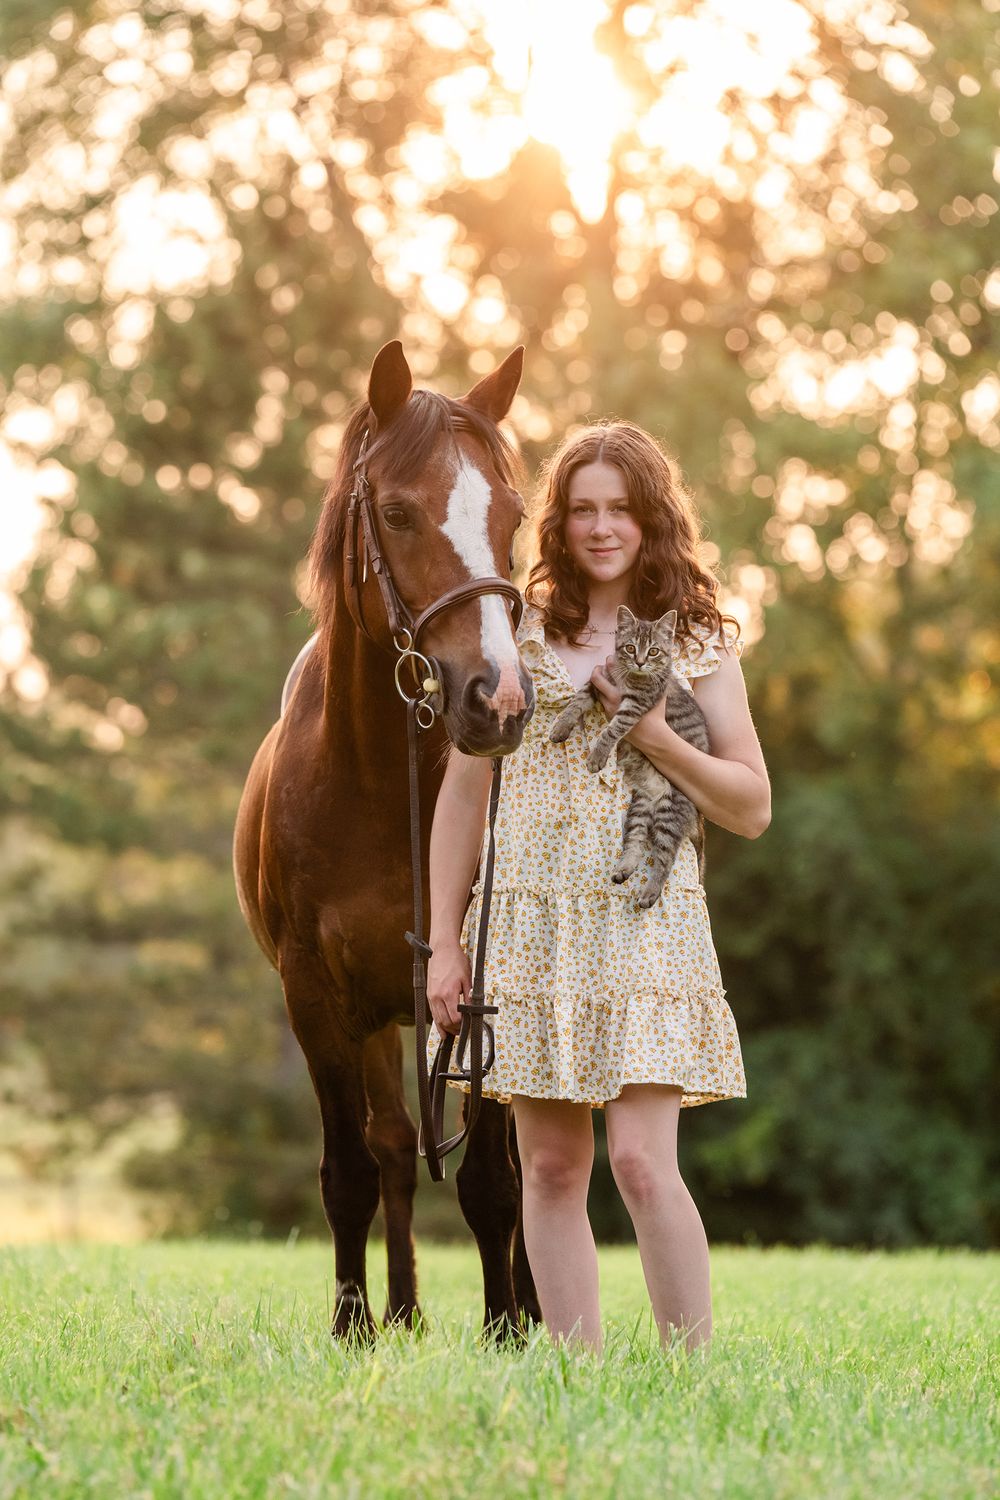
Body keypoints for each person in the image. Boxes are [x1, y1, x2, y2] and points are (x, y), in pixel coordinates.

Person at [426, 421, 770, 1354]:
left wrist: (657, 734)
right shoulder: (518, 634)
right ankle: (575, 1378)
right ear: (559, 524)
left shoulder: (697, 640)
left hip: (644, 921)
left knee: (641, 1164)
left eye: (621, 508)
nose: (602, 527)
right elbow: (463, 794)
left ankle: (686, 1375)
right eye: (582, 509)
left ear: (653, 519)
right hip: (528, 925)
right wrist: (448, 943)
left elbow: (751, 806)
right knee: (548, 1163)